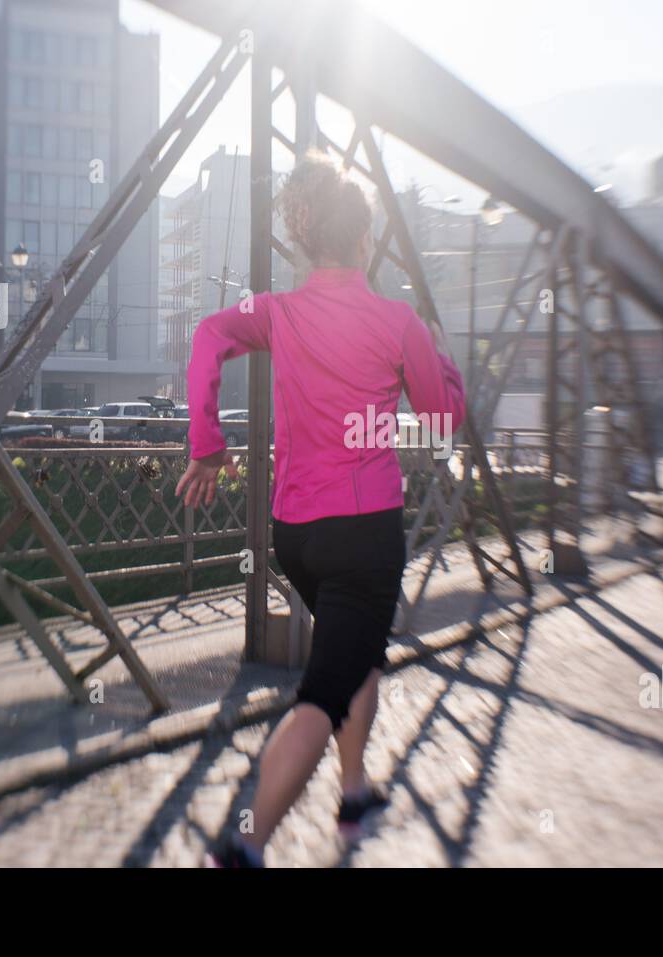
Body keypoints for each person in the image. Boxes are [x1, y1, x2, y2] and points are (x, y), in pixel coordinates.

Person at [176, 152, 466, 867]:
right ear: (365, 240)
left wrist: (207, 443)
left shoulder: (276, 312)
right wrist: (444, 357)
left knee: (355, 651)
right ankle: (242, 844)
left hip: (295, 535)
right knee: (322, 693)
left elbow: (208, 336)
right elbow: (442, 421)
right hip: (364, 536)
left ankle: (355, 788)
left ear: (308, 240)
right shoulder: (397, 323)